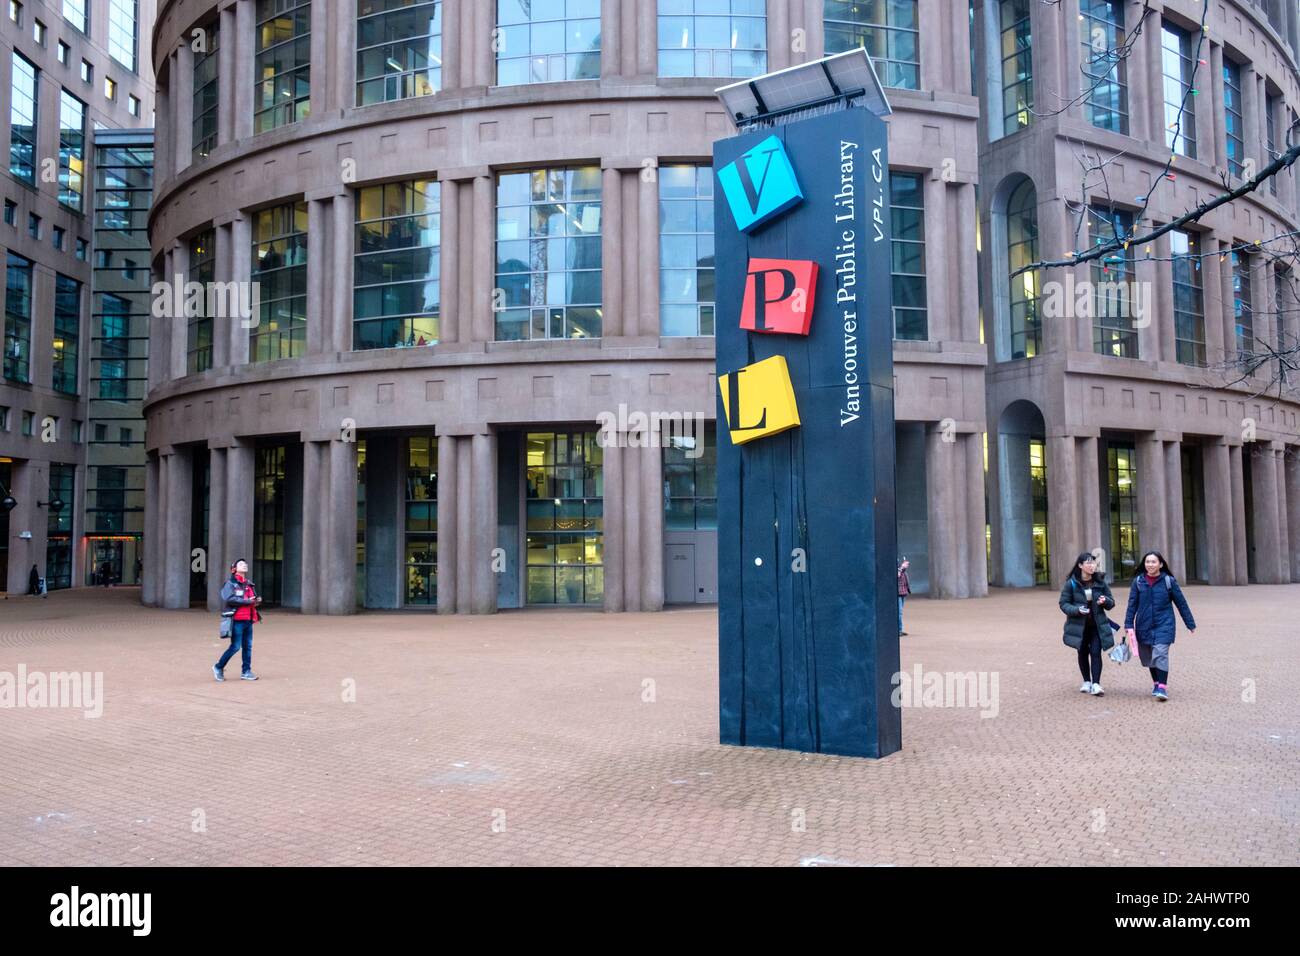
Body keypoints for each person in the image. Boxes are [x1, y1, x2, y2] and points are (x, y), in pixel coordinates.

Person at [1124, 551, 1196, 701]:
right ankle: (1156, 683)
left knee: (1160, 654)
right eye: (1147, 562)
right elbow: (1132, 604)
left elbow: (1181, 603)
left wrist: (1190, 623)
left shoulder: (1169, 581)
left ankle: (1162, 687)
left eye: (1153, 562)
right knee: (1150, 656)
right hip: (1144, 625)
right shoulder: (1138, 582)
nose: (1150, 565)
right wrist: (1128, 623)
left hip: (1164, 624)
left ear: (1161, 564)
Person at [1059, 551, 1117, 696]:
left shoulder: (1100, 582)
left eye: (1093, 563)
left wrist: (1105, 601)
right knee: (1082, 652)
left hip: (1097, 625)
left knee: (1096, 652)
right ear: (1080, 565)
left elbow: (1111, 602)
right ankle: (1086, 681)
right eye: (1088, 563)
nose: (1092, 566)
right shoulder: (1071, 583)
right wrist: (1077, 610)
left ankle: (1096, 683)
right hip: (1079, 626)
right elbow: (1063, 604)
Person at [215, 559, 262, 682]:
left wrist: (256, 601)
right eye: (241, 564)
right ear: (234, 569)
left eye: (245, 564)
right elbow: (229, 598)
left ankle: (246, 671)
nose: (245, 565)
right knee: (235, 646)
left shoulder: (249, 584)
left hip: (249, 619)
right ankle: (218, 667)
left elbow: (251, 599)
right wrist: (248, 601)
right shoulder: (230, 583)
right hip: (237, 619)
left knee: (248, 646)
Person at [897, 558, 911, 636]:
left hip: (902, 593)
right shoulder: (898, 570)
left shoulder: (901, 570)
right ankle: (898, 630)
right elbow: (897, 576)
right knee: (899, 613)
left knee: (900, 613)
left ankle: (900, 629)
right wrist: (902, 568)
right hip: (897, 594)